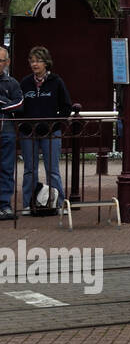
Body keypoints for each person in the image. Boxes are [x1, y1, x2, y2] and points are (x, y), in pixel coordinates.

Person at [20, 45, 73, 214]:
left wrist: (55, 123)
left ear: (46, 63)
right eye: (32, 61)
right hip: (29, 132)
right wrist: (23, 125)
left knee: (53, 169)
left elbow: (66, 106)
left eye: (38, 61)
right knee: (29, 169)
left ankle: (59, 203)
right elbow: (19, 106)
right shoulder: (25, 82)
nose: (35, 64)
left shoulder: (56, 82)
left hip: (51, 132)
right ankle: (28, 204)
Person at [0, 47, 24, 219]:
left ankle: (4, 205)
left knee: (6, 169)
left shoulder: (12, 83)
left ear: (7, 62)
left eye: (0, 60)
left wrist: (1, 103)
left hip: (6, 131)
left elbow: (20, 104)